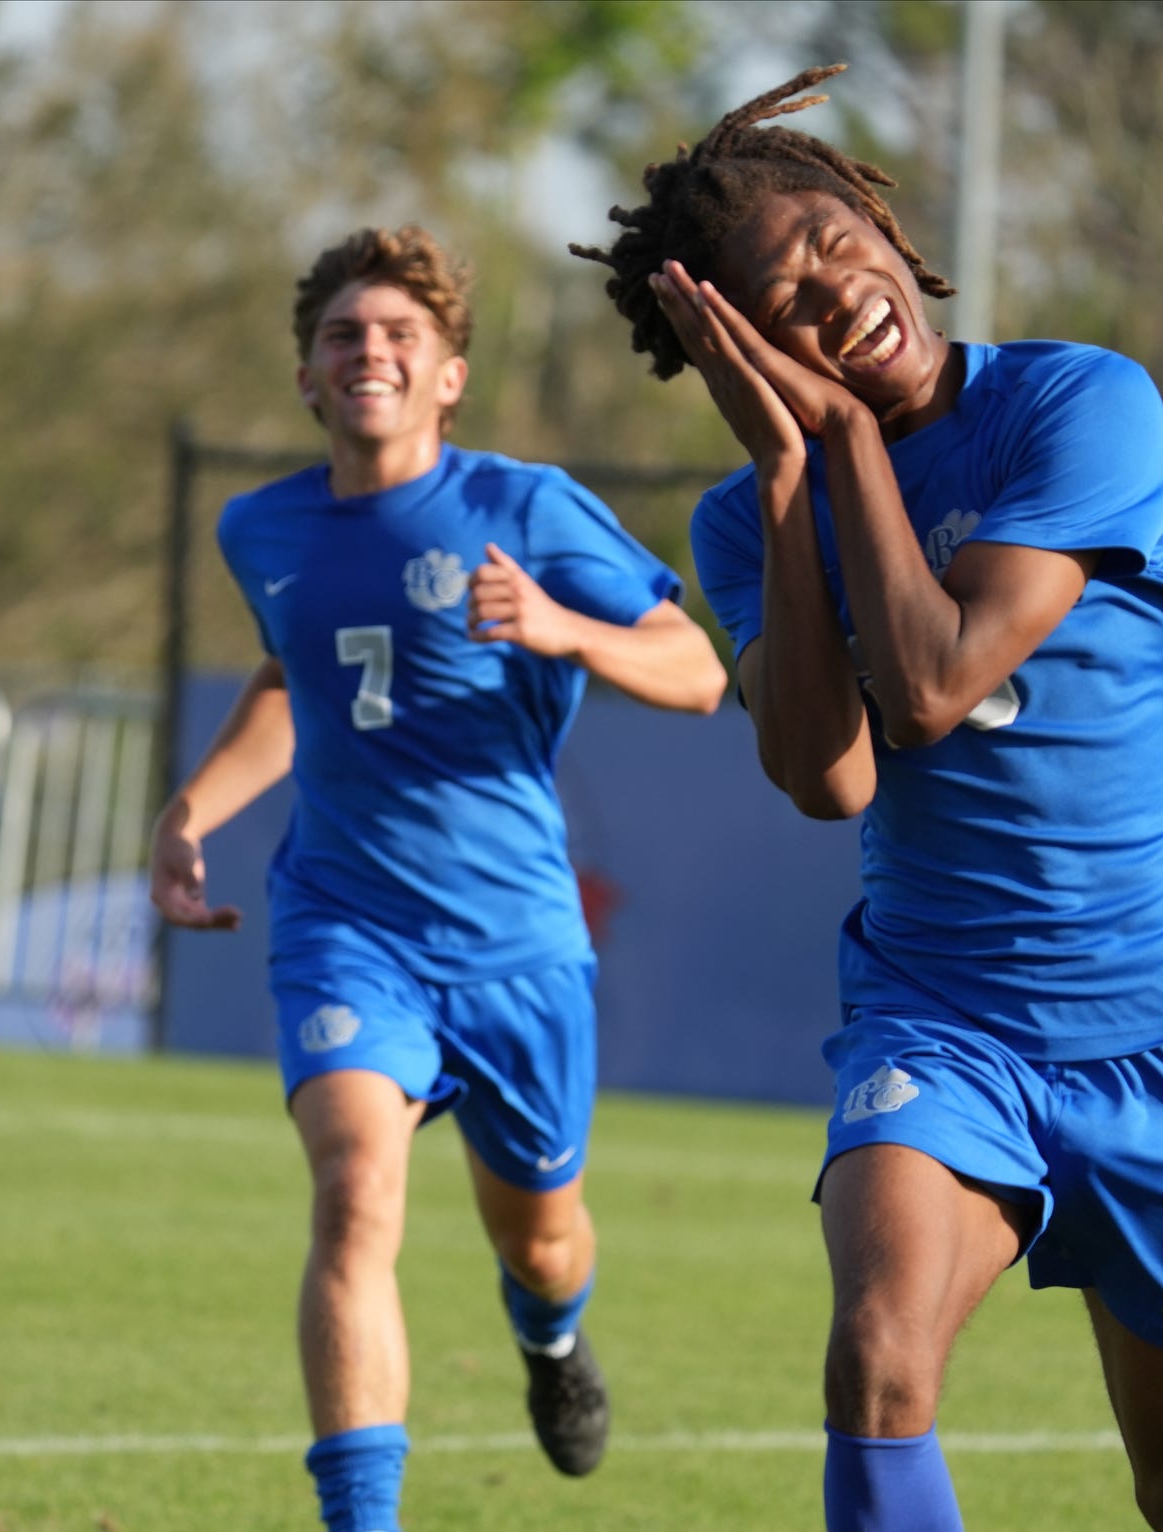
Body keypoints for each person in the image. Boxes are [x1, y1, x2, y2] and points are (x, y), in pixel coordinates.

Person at [573, 65, 1163, 1532]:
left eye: (840, 245)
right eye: (784, 302)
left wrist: (844, 448)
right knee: (877, 1360)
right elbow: (828, 776)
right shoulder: (741, 520)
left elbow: (929, 684)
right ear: (745, 355)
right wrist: (791, 477)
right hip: (946, 1018)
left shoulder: (1076, 403)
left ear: (891, 229)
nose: (835, 295)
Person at [148, 223, 727, 1532]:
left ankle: (551, 1336)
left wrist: (565, 625)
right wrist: (190, 812)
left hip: (518, 946)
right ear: (306, 374)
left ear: (449, 373)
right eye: (344, 335)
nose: (371, 353)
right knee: (356, 1197)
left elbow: (696, 671)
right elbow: (299, 677)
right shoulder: (264, 529)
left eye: (400, 335)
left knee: (542, 1238)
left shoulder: (523, 508)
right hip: (347, 929)